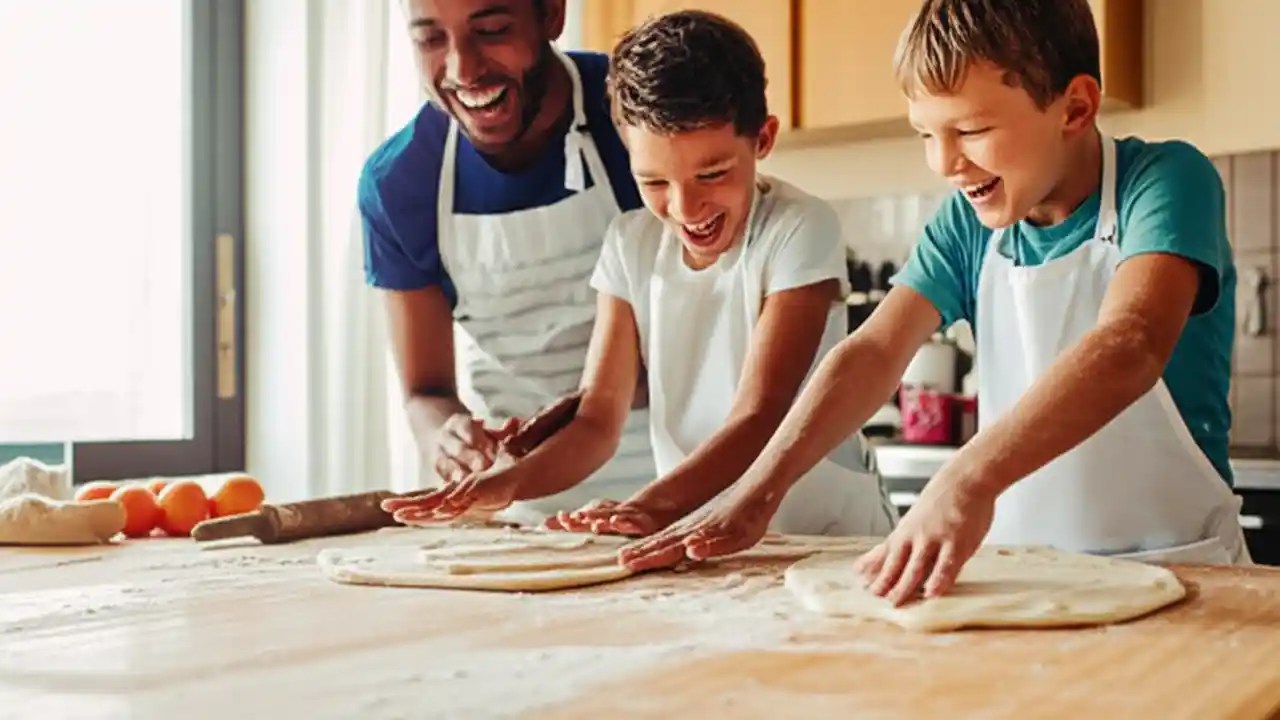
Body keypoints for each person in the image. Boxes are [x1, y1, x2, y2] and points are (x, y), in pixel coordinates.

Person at [618, 0, 1251, 596]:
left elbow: (1129, 342)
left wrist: (967, 475)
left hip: (1183, 574)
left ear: (1076, 107)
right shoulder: (969, 223)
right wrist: (756, 492)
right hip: (1025, 582)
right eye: (926, 134)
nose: (944, 163)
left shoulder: (1165, 181)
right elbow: (873, 351)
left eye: (970, 130)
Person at [383, 10, 898, 539]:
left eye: (713, 173)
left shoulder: (798, 230)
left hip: (828, 538)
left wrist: (649, 506)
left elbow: (760, 415)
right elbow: (597, 420)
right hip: (701, 539)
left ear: (762, 140)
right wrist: (507, 483)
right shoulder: (630, 247)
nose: (686, 206)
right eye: (653, 181)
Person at [357, 0, 658, 519]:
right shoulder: (399, 183)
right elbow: (425, 392)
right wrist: (445, 441)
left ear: (552, 16)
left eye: (492, 30)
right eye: (430, 40)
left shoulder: (645, 114)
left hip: (685, 480)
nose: (463, 70)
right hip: (527, 506)